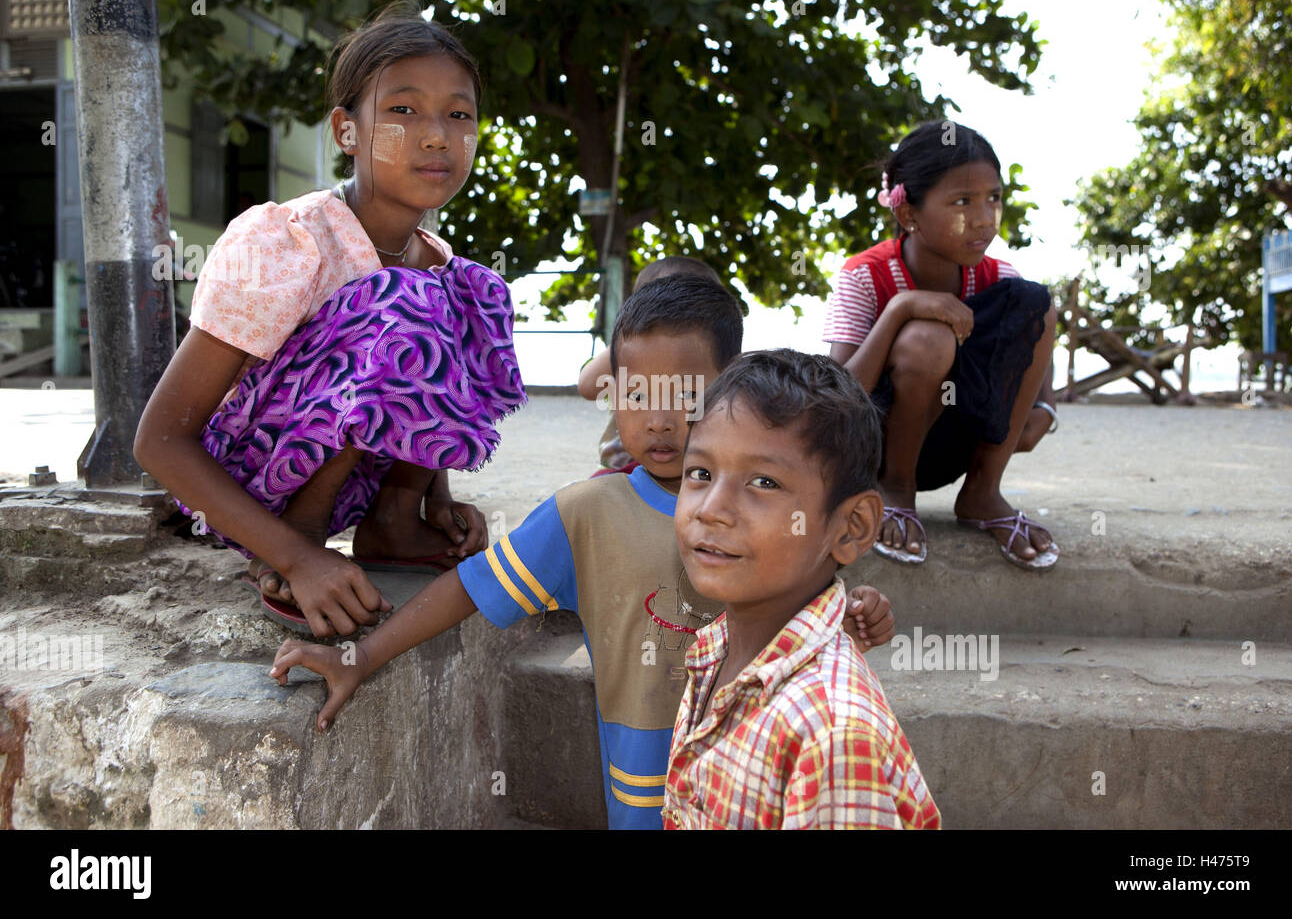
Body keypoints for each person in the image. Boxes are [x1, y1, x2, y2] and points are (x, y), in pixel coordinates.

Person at [270, 276, 897, 829]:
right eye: (636, 394)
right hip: (645, 795)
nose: (658, 421)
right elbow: (471, 586)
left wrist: (852, 606)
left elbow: (806, 609)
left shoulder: (769, 520)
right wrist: (362, 655)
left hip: (765, 786)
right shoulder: (588, 515)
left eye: (685, 396)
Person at [135, 1, 525, 637]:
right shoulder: (287, 241)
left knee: (470, 291)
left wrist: (436, 493)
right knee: (407, 298)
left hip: (355, 477)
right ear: (347, 131)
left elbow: (410, 376)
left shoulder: (442, 268)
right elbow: (159, 439)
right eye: (403, 110)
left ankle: (392, 522)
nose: (436, 135)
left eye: (459, 115)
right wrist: (300, 557)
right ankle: (298, 536)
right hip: (250, 479)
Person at [662, 349, 941, 829]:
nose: (711, 508)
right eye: (701, 473)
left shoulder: (833, 736)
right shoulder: (721, 645)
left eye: (764, 482)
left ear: (852, 528)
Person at [824, 121, 1059, 570]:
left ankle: (982, 493)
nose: (985, 218)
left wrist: (1044, 413)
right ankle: (896, 490)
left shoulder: (1000, 281)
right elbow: (835, 399)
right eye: (962, 202)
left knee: (1038, 302)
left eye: (994, 198)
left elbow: (1035, 371)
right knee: (927, 335)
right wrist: (901, 310)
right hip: (874, 446)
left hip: (959, 440)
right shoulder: (864, 276)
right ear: (909, 215)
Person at [578, 256, 725, 472]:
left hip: (690, 463)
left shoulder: (711, 351)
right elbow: (588, 386)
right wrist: (626, 340)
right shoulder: (629, 346)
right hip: (621, 466)